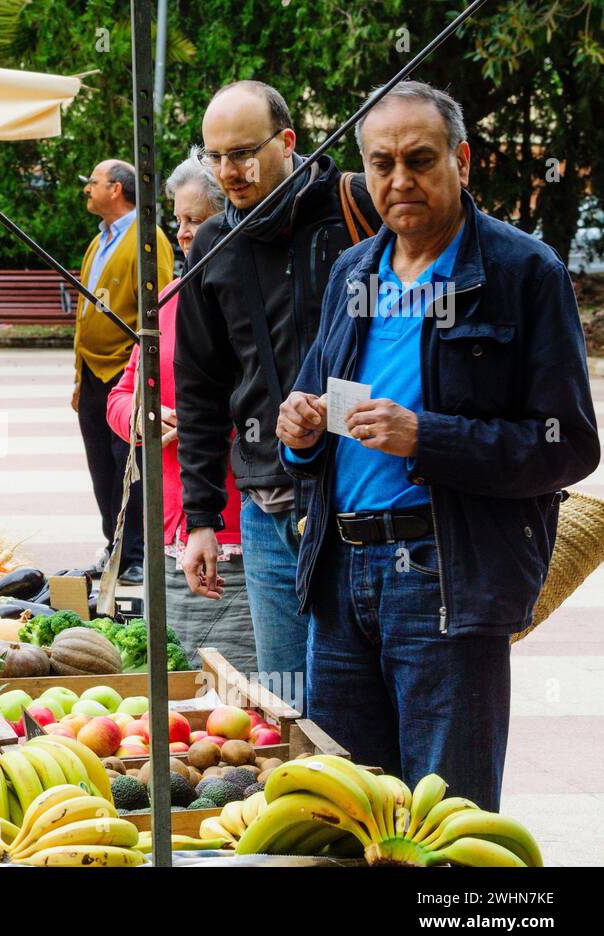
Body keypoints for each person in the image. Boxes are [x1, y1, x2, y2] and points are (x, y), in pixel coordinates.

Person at [277, 81, 600, 811]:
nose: (400, 180)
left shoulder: (522, 273)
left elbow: (567, 446)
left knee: (445, 817)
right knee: (343, 811)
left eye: (420, 160)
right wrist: (298, 435)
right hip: (340, 573)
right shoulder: (352, 272)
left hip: (445, 577)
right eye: (381, 163)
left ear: (461, 160)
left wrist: (429, 436)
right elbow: (312, 414)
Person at [174, 81, 381, 705]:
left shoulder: (359, 207)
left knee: (364, 698)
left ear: (287, 142)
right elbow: (201, 389)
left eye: (243, 153)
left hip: (359, 497)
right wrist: (203, 520)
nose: (227, 172)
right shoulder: (213, 244)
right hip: (269, 509)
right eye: (215, 157)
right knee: (288, 699)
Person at [106, 150, 255, 672]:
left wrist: (210, 419)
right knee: (181, 681)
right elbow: (120, 395)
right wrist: (142, 417)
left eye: (197, 219)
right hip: (169, 525)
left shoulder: (252, 300)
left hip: (234, 526)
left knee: (237, 682)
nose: (185, 233)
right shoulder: (168, 298)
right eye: (179, 220)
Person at [75, 159, 176, 586]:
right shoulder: (99, 242)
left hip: (126, 374)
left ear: (116, 188)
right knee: (102, 467)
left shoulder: (148, 239)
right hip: (94, 376)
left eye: (93, 183)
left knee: (129, 468)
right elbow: (84, 315)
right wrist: (79, 377)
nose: (86, 190)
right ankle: (114, 545)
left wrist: (148, 381)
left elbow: (163, 310)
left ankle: (135, 553)